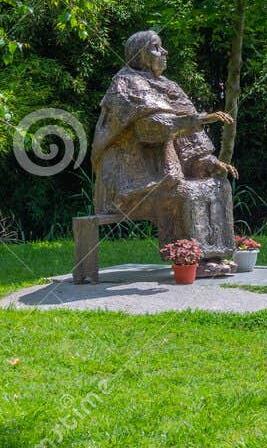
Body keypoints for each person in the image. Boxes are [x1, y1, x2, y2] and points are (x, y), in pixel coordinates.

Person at [91, 31, 238, 278]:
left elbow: (188, 138)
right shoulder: (127, 84)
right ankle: (190, 259)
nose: (165, 52)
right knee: (183, 192)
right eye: (157, 48)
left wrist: (208, 161)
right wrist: (200, 119)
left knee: (218, 184)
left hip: (166, 170)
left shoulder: (169, 86)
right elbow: (152, 130)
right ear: (142, 55)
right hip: (130, 177)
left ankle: (214, 255)